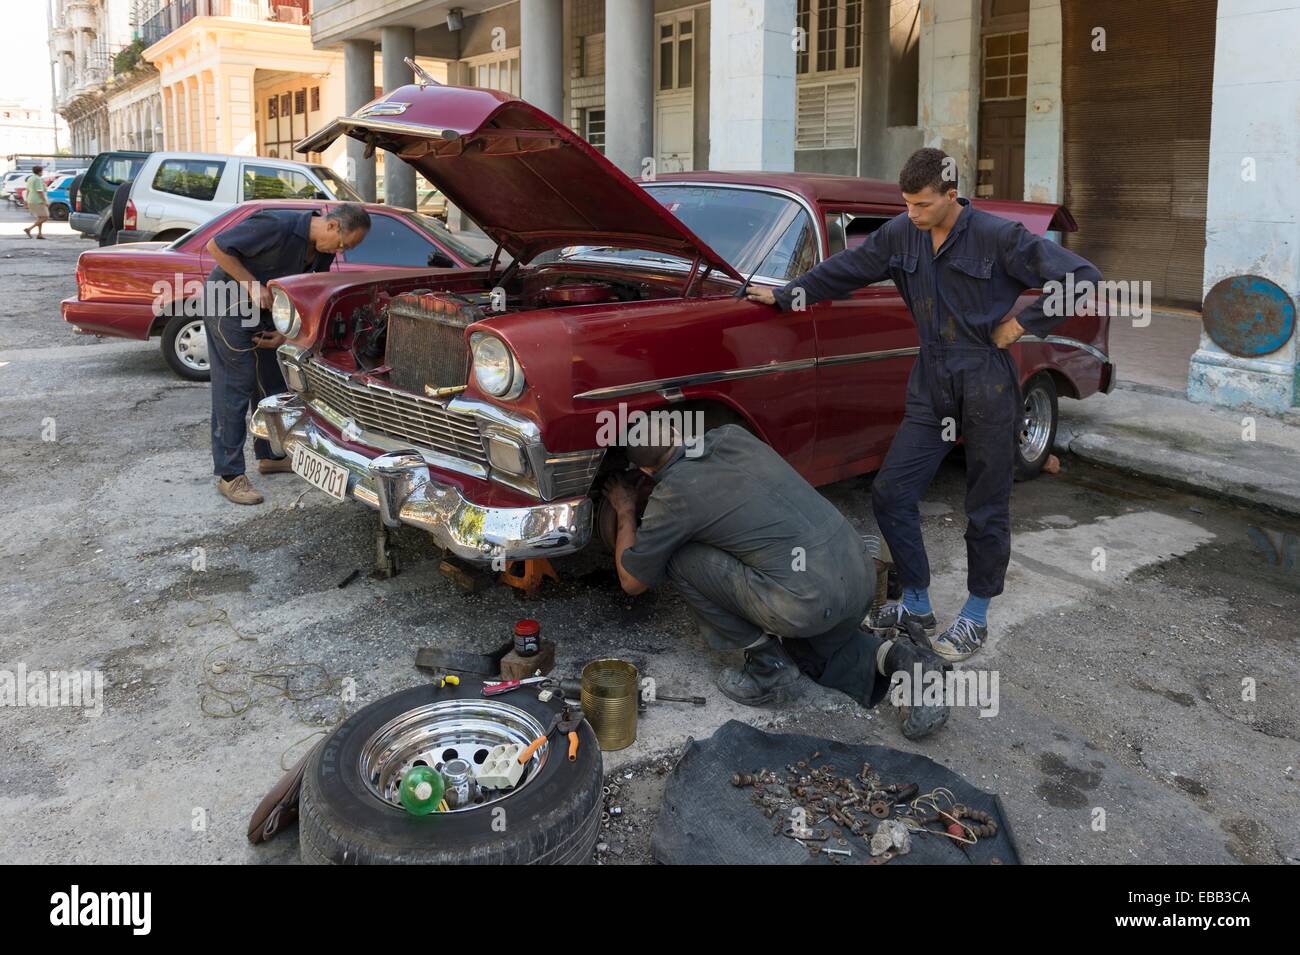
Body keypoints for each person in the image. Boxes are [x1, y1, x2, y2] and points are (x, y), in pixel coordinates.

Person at [746, 148, 1101, 663]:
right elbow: (847, 269)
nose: (912, 214)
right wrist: (786, 294)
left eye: (922, 205)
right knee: (892, 492)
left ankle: (976, 614)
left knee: (985, 505)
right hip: (932, 379)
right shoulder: (900, 234)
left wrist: (1024, 324)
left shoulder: (998, 237)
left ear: (951, 196)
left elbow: (1083, 276)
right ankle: (916, 602)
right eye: (907, 203)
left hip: (986, 381)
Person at [605, 423, 949, 739]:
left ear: (646, 472)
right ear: (678, 431)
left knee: (680, 559)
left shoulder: (674, 495)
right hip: (858, 572)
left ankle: (768, 667)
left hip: (808, 600)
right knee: (815, 648)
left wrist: (624, 509)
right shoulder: (732, 435)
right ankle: (908, 661)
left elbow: (632, 581)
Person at [204, 203, 371, 505]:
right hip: (226, 304)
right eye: (345, 244)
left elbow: (306, 292)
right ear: (332, 226)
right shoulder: (276, 224)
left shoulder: (322, 251)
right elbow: (216, 247)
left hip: (268, 312)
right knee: (236, 384)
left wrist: (285, 333)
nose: (341, 251)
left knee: (272, 382)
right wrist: (252, 286)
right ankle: (229, 475)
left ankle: (269, 455)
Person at [23, 166, 49, 239]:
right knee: (46, 217)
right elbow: (40, 191)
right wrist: (45, 201)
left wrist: (26, 200)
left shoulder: (30, 178)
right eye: (42, 171)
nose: (42, 172)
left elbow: (28, 190)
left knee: (40, 217)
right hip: (38, 200)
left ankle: (40, 234)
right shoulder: (38, 179)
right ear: (40, 171)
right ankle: (29, 229)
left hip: (31, 199)